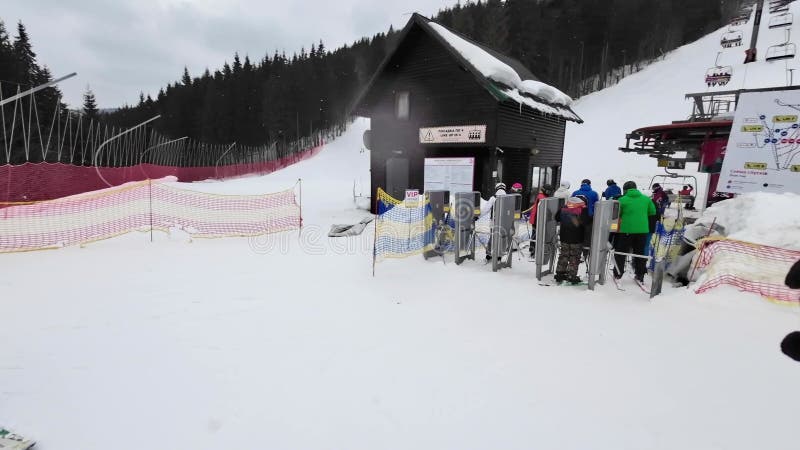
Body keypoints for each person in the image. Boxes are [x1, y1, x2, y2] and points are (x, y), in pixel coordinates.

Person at [613, 181, 656, 283]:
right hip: (642, 231)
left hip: (626, 230)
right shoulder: (646, 199)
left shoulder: (622, 200)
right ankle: (640, 275)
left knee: (621, 252)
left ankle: (618, 273)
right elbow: (653, 212)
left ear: (625, 190)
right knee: (639, 253)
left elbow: (617, 214)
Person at [554, 197, 589, 284]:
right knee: (574, 256)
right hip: (577, 238)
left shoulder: (564, 208)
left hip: (564, 237)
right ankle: (571, 275)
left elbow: (557, 218)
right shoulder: (582, 209)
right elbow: (585, 222)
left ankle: (560, 274)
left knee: (564, 255)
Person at [482, 182, 507, 260]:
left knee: (492, 237)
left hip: (494, 221)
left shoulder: (493, 198)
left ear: (496, 188)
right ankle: (499, 255)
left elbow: (486, 209)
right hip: (504, 222)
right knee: (502, 237)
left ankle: (489, 254)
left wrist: (477, 216)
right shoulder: (508, 198)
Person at [528, 184, 552, 256]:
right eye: (548, 191)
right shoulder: (542, 197)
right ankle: (533, 251)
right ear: (544, 191)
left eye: (550, 192)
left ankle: (534, 250)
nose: (549, 193)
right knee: (535, 235)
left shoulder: (543, 196)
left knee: (535, 234)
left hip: (538, 218)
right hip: (537, 219)